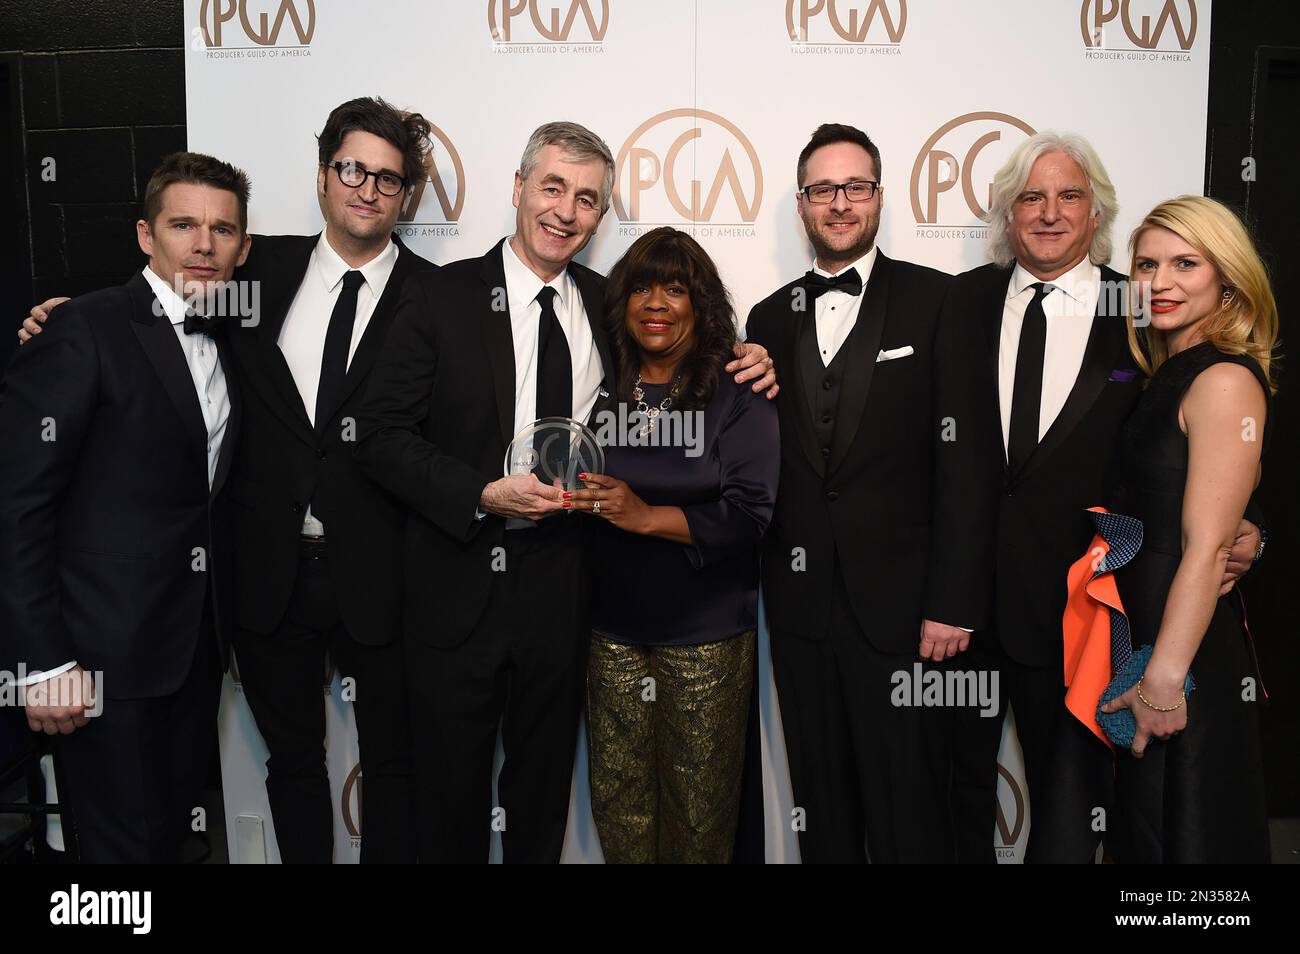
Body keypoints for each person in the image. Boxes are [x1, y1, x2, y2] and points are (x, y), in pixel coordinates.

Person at [17, 97, 439, 864]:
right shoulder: (258, 268)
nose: (367, 188)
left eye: (387, 177)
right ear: (322, 178)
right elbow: (147, 316)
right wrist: (60, 316)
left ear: (405, 195)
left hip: (382, 580)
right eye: (352, 168)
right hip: (259, 584)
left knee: (395, 768)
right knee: (289, 768)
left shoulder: (440, 296)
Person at [352, 122, 775, 863]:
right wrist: (483, 492)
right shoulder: (439, 297)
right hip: (456, 591)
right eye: (552, 188)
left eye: (586, 199)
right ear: (518, 190)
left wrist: (749, 354)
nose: (565, 211)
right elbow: (379, 435)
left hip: (568, 595)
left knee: (541, 803)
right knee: (447, 804)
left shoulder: (611, 306)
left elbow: (682, 348)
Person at [945, 133, 1265, 862]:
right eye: (1031, 197)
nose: (1050, 213)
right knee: (956, 800)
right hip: (966, 615)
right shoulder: (962, 300)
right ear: (1007, 215)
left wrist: (1248, 529)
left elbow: (1213, 454)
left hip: (1092, 622)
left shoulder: (1137, 309)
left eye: (1070, 197)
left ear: (1097, 215)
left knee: (1099, 814)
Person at [743, 124, 1001, 863]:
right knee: (819, 806)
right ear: (802, 203)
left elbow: (971, 462)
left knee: (908, 809)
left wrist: (952, 601)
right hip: (799, 611)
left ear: (879, 196)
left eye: (855, 186)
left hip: (907, 611)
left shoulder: (939, 301)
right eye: (823, 189)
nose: (840, 203)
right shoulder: (768, 317)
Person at [0, 152, 249, 862]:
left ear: (243, 246)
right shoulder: (82, 329)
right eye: (183, 225)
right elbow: (18, 505)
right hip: (98, 656)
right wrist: (42, 665)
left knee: (173, 838)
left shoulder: (234, 332)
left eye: (222, 229)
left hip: (193, 649)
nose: (204, 244)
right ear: (146, 236)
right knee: (119, 858)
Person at [1066, 195, 1276, 862]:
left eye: (1186, 263)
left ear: (1227, 277)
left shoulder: (1221, 379)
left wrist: (1164, 680)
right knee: (1148, 829)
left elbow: (1209, 545)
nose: (1160, 282)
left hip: (1180, 649)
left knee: (1185, 829)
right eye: (1147, 264)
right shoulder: (1168, 373)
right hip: (1148, 630)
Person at [566, 227, 778, 863]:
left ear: (699, 303)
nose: (656, 303)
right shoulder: (601, 388)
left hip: (704, 635)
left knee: (699, 818)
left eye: (675, 289)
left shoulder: (738, 388)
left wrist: (645, 514)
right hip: (610, 632)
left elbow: (750, 514)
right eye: (640, 288)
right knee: (621, 809)